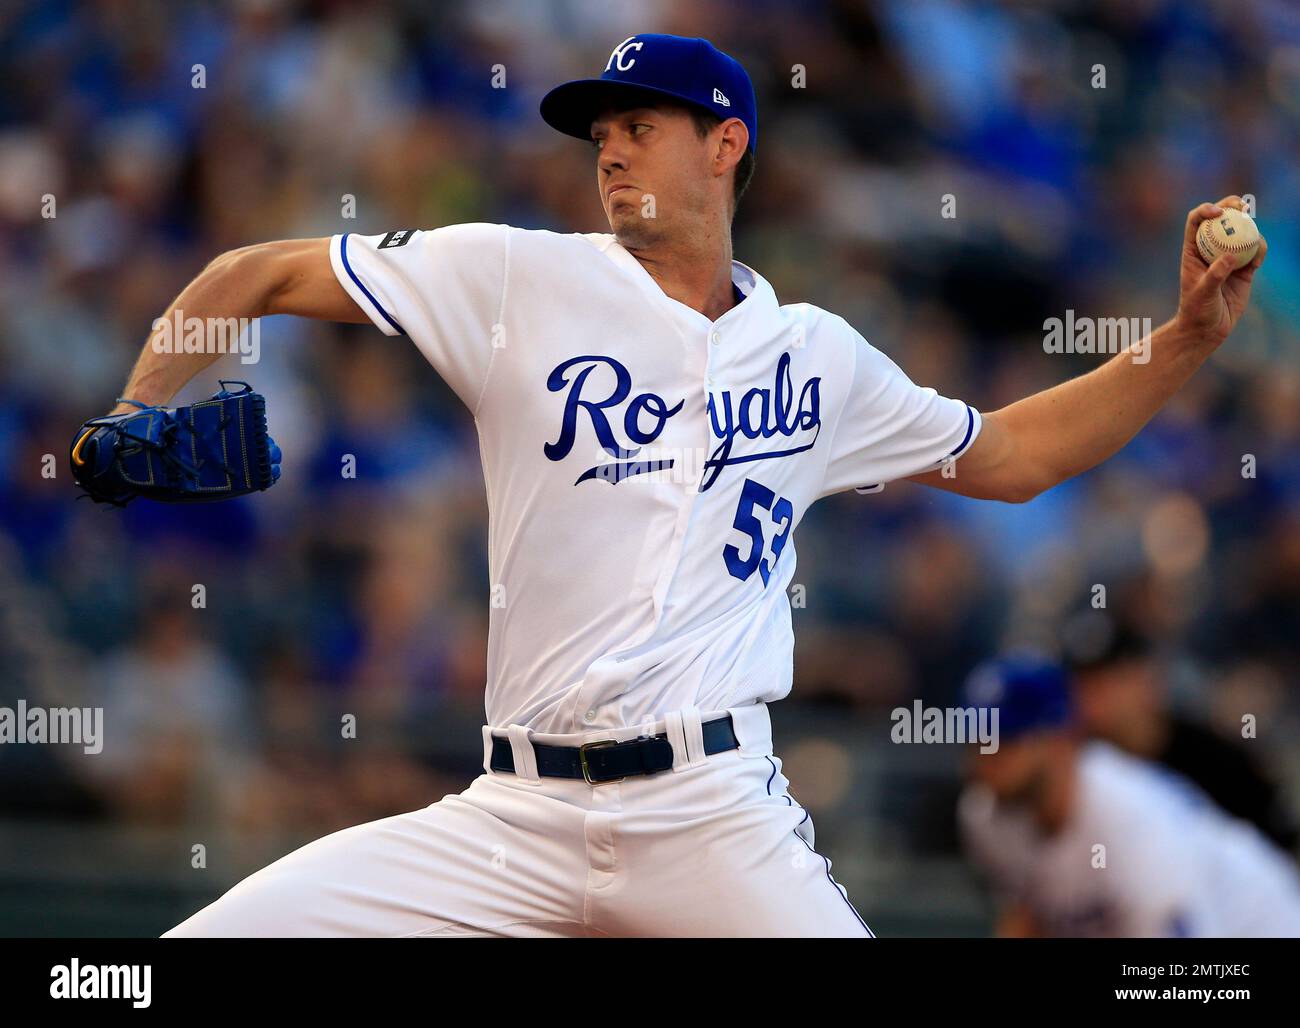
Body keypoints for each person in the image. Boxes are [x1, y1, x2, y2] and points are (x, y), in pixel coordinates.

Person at [100, 33, 1265, 936]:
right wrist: (133, 414)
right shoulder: (516, 276)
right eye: (600, 130)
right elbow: (254, 271)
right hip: (514, 813)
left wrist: (1180, 344)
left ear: (725, 144)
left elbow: (1014, 457)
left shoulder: (817, 355)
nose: (608, 148)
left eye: (639, 124)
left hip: (708, 810)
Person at [958, 654, 1300, 937]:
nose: (984, 756)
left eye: (1006, 740)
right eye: (975, 740)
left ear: (1060, 738)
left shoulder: (1133, 822)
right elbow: (1027, 916)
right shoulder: (985, 815)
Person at [1066, 616, 1299, 852]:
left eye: (1106, 684)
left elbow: (1276, 843)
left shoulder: (1215, 760)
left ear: (1145, 679)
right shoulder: (1080, 769)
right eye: (1083, 687)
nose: (1091, 703)